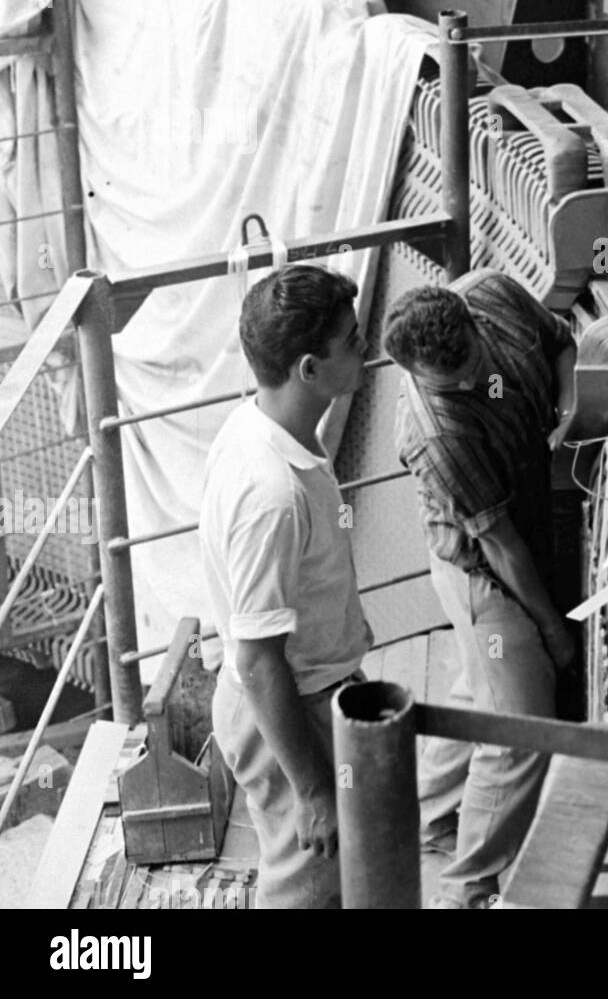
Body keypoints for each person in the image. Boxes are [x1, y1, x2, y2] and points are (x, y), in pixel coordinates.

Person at [385, 268, 578, 909]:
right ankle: (465, 888)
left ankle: (427, 818)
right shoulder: (438, 431)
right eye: (453, 382)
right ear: (416, 374)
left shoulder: (492, 291)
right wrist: (553, 632)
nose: (471, 384)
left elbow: (561, 340)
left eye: (471, 364)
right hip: (480, 572)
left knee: (484, 687)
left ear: (472, 318)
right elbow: (501, 545)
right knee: (524, 724)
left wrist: (569, 410)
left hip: (517, 525)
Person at [199, 264, 373, 909]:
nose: (366, 349)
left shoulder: (264, 430)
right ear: (308, 369)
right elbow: (258, 658)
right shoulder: (270, 493)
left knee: (331, 877)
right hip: (286, 711)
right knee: (309, 888)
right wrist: (314, 790)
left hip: (304, 694)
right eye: (352, 341)